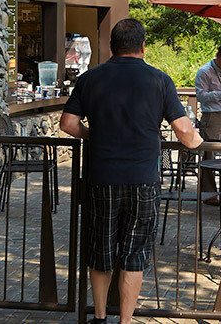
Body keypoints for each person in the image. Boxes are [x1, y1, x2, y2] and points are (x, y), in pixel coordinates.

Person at [60, 19, 202, 324]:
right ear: (143, 46)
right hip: (143, 180)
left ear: (112, 46)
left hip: (102, 177)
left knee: (101, 250)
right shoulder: (160, 81)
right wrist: (198, 139)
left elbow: (68, 124)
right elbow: (185, 134)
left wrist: (93, 135)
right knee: (134, 253)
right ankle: (125, 321)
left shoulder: (90, 79)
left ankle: (99, 318)